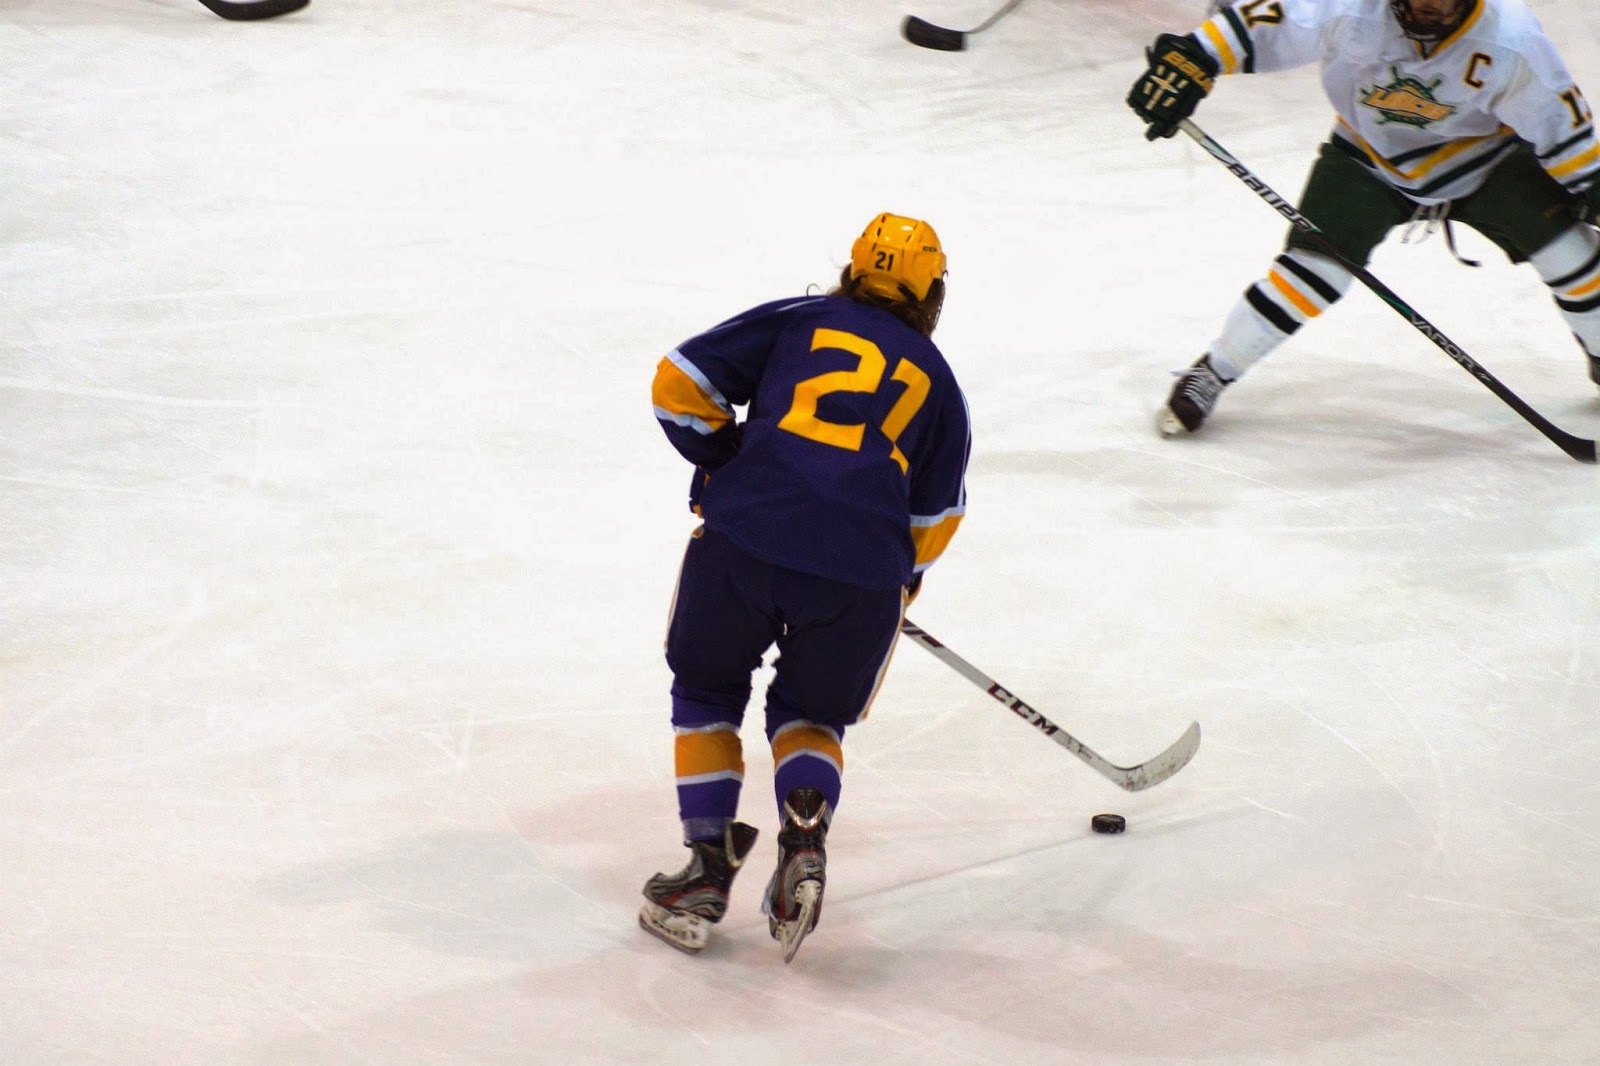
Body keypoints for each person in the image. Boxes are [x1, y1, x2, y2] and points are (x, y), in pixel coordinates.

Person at [641, 213, 971, 962]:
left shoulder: (799, 320)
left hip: (745, 541)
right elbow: (937, 515)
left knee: (707, 690)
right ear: (932, 294)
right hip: (860, 580)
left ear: (853, 272)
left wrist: (725, 460)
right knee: (813, 718)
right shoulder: (940, 382)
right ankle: (806, 829)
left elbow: (678, 384)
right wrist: (896, 588)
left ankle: (703, 873)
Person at [1126, 0, 1600, 436]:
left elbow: (1560, 125)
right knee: (1310, 273)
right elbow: (1269, 22)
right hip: (1368, 156)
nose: (1433, 6)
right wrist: (1195, 57)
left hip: (1486, 158)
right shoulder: (1349, 7)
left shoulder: (1510, 39)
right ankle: (1213, 371)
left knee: (1575, 258)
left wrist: (1592, 182)